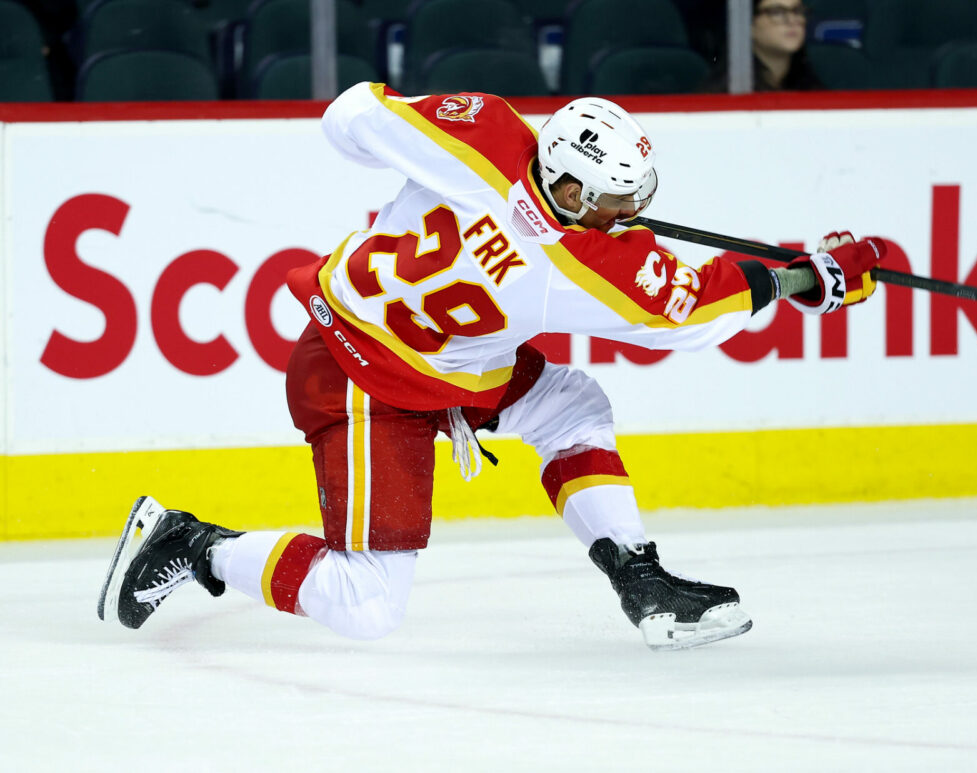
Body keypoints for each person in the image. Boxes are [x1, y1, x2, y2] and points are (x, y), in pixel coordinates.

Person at [97, 83, 884, 650]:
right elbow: (691, 310)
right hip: (361, 377)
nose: (630, 213)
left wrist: (416, 144)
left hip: (428, 356)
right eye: (614, 200)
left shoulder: (486, 132)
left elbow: (350, 116)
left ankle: (638, 576)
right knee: (366, 603)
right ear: (570, 187)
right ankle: (191, 541)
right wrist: (807, 278)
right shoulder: (579, 266)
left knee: (571, 407)